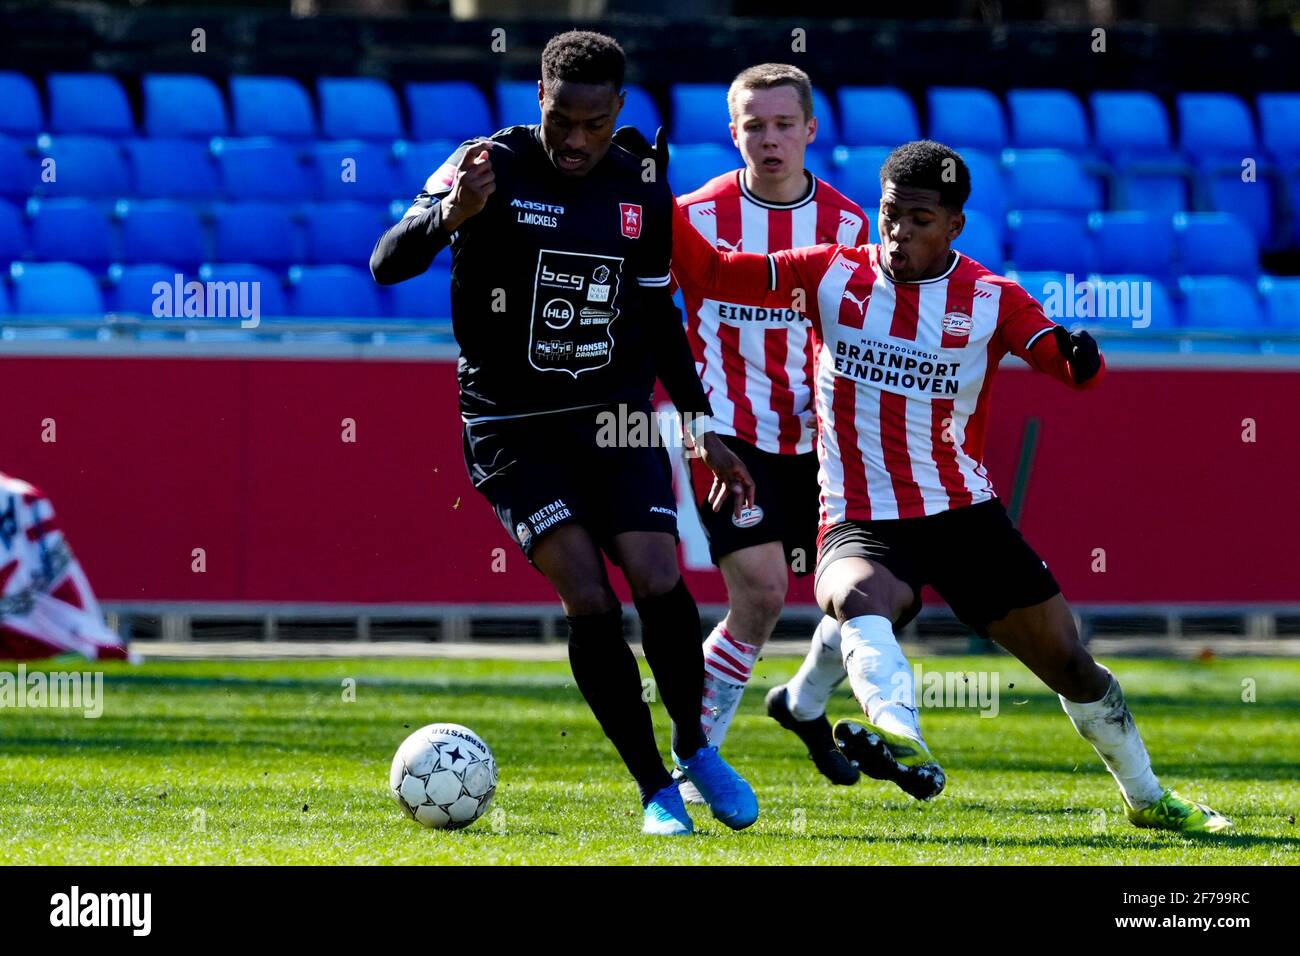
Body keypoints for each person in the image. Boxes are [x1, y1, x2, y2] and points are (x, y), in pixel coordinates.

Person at [668, 138, 1230, 833]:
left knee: (1071, 666)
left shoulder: (991, 299)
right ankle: (899, 730)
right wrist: (648, 201)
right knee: (854, 597)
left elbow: (1062, 359)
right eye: (890, 214)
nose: (899, 232)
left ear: (954, 226)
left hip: (965, 517)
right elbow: (715, 274)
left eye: (920, 219)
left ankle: (1148, 798)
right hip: (861, 517)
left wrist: (1081, 359)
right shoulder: (827, 275)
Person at [370, 30, 759, 836]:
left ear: (618, 111)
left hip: (613, 417)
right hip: (512, 427)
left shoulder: (641, 186)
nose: (576, 141)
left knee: (658, 578)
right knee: (589, 597)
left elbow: (657, 315)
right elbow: (385, 262)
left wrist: (700, 424)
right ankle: (655, 788)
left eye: (593, 122)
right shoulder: (486, 165)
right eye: (561, 121)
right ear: (538, 104)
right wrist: (454, 214)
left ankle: (694, 743)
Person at [665, 64, 866, 794]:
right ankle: (697, 757)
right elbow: (661, 324)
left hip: (821, 439)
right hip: (726, 431)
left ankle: (803, 700)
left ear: (811, 131)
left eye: (785, 125)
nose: (771, 140)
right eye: (756, 126)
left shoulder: (847, 225)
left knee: (871, 592)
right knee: (761, 593)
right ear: (733, 133)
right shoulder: (694, 216)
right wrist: (693, 425)